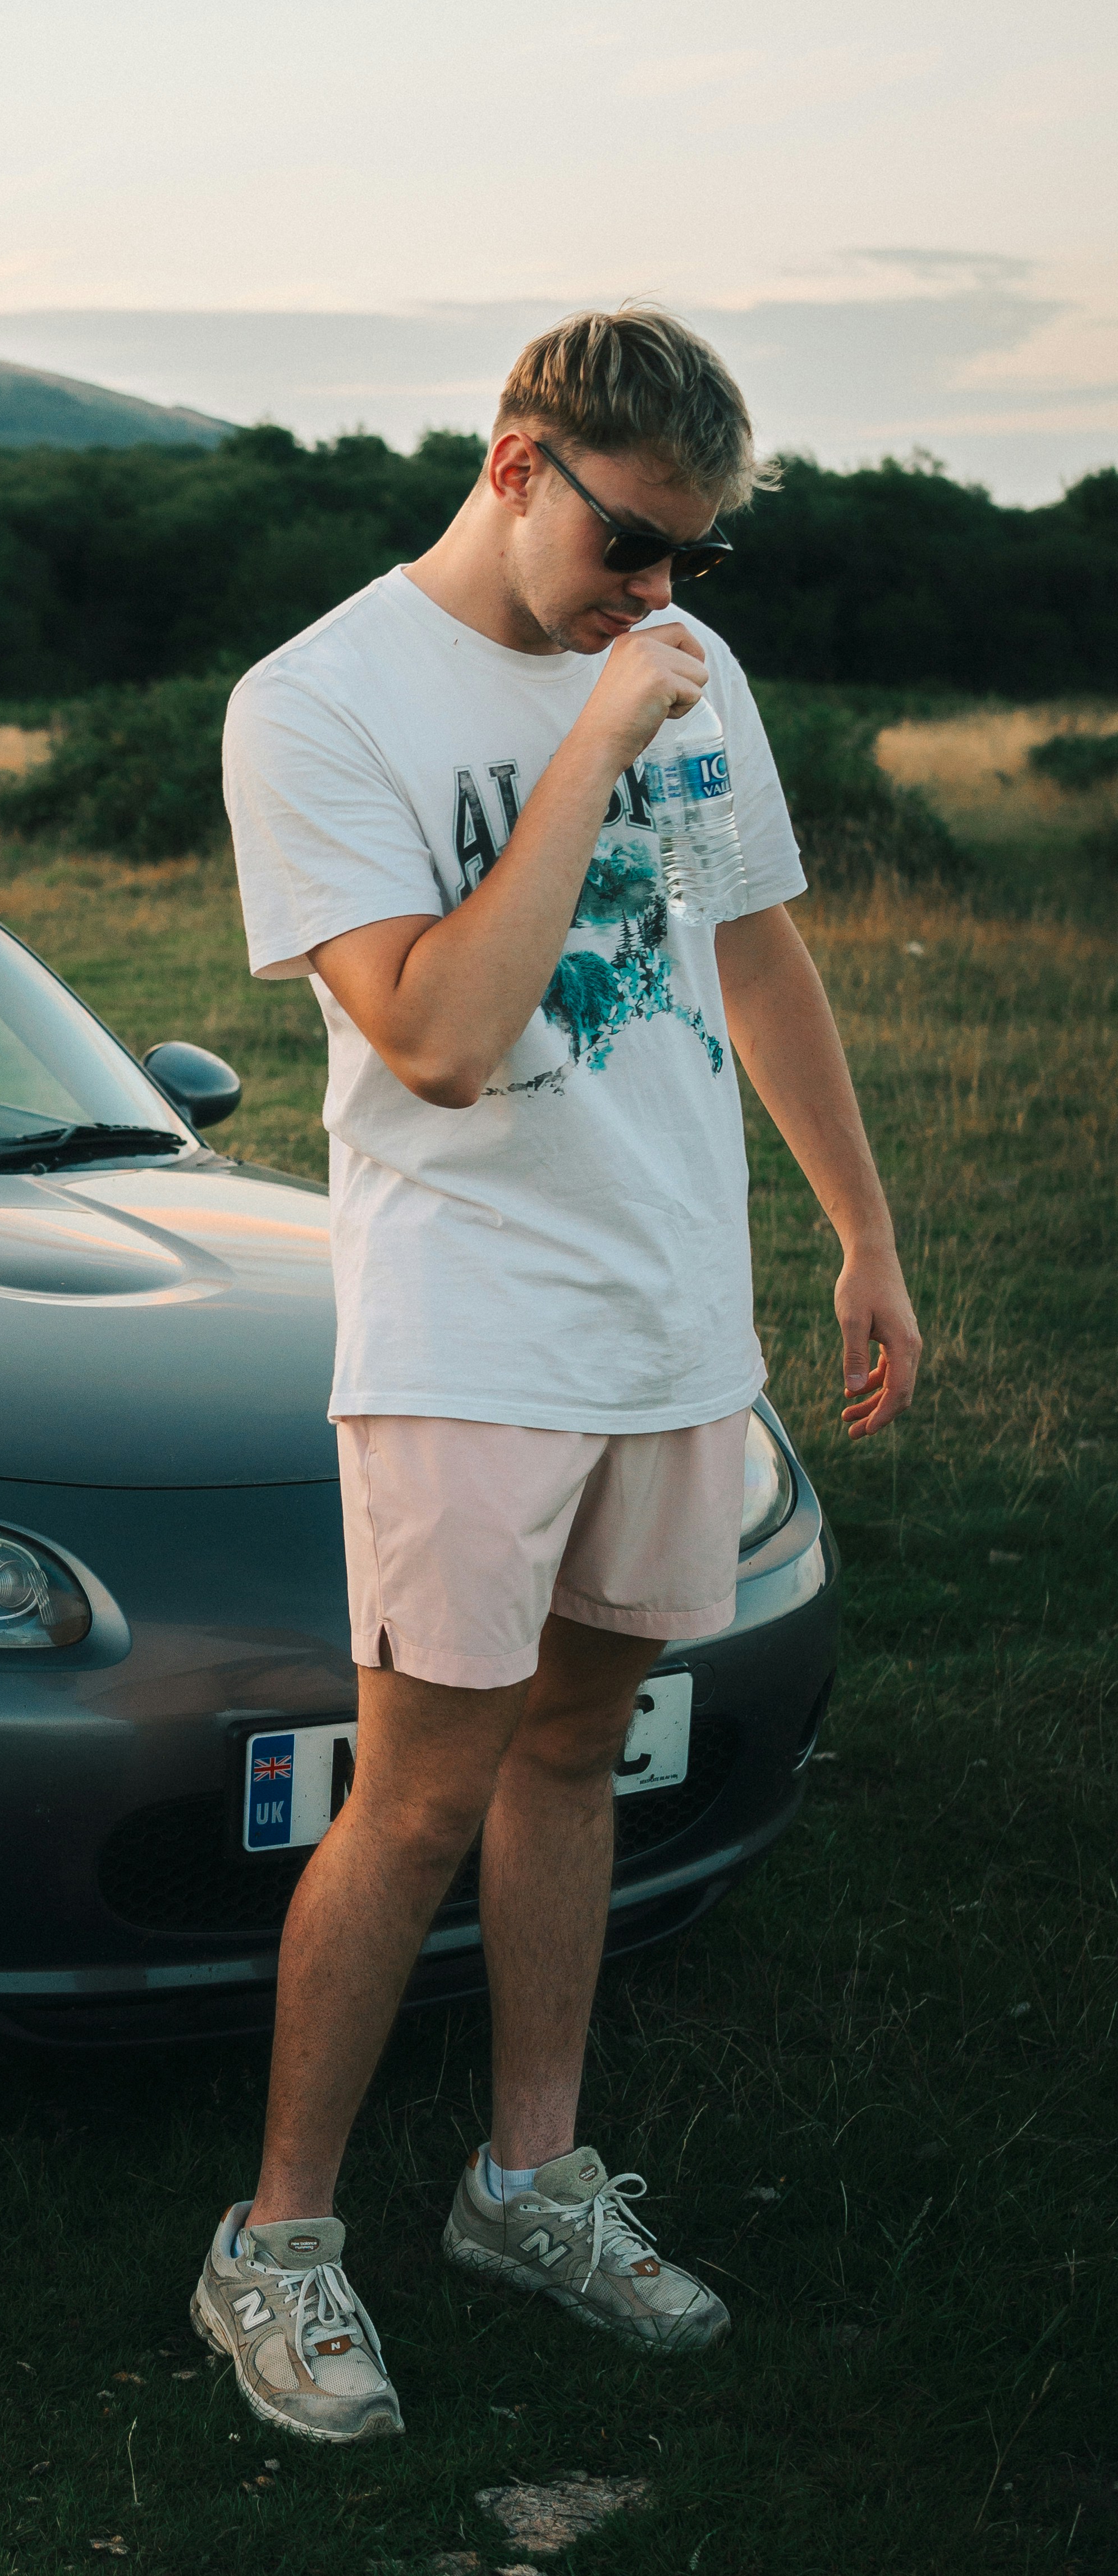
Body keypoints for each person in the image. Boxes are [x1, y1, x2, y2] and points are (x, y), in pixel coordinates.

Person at [195, 306, 919, 2443]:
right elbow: (435, 1031)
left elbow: (752, 942)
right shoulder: (317, 700)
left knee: (578, 1761)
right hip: (475, 1326)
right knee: (418, 1786)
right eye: (630, 544)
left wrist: (861, 1228)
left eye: (690, 560)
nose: (659, 596)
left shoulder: (686, 660)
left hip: (672, 1314)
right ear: (517, 463)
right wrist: (589, 743)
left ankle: (529, 2180)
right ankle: (280, 2244)